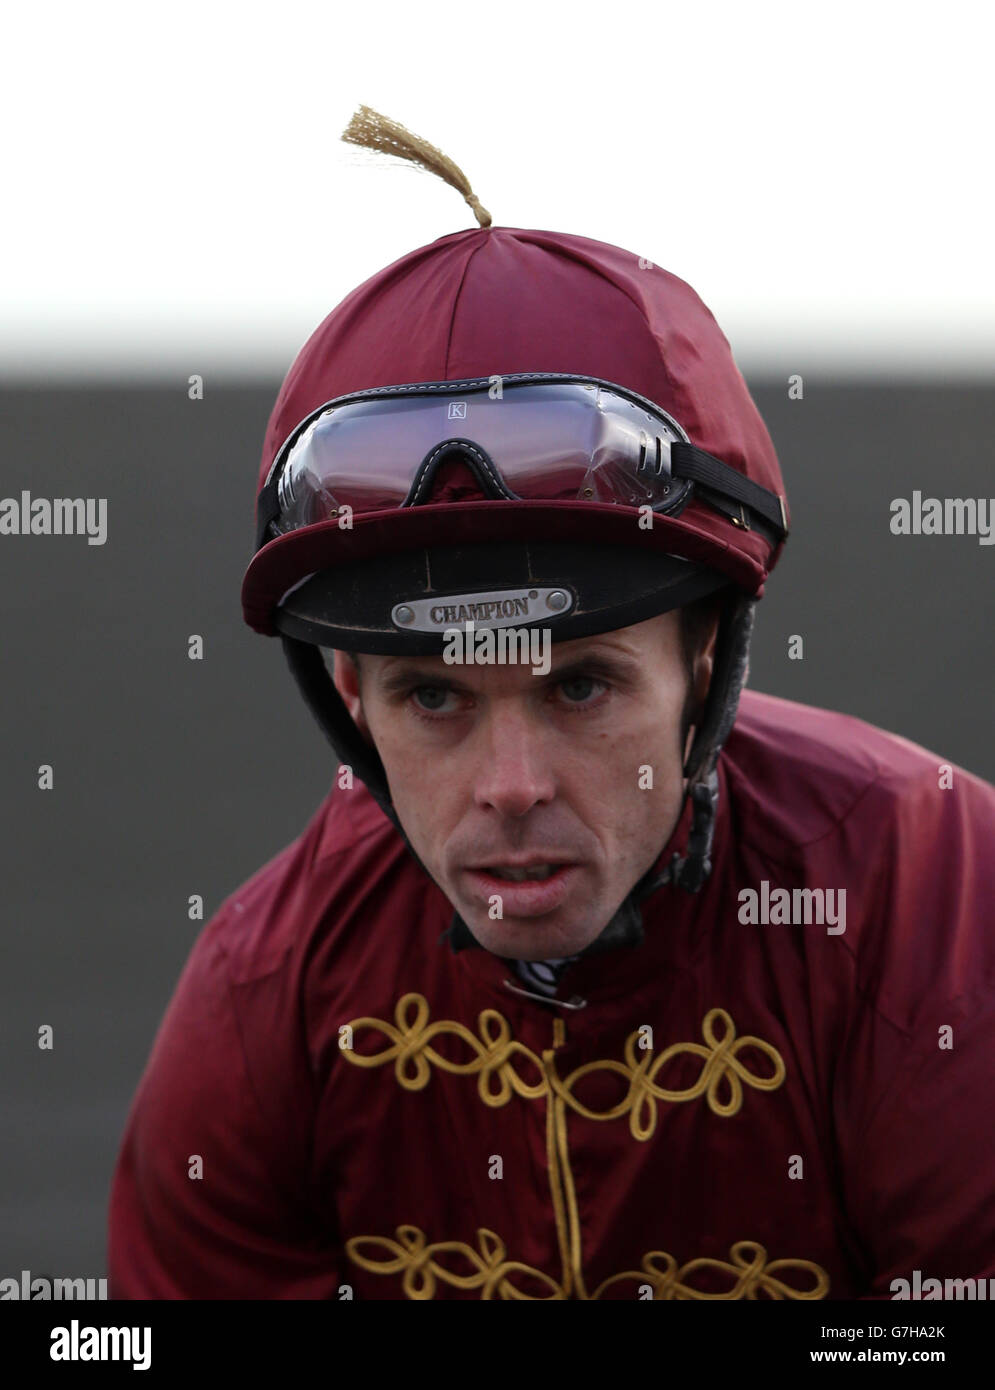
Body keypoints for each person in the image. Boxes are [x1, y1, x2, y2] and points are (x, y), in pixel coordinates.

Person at [107, 119, 995, 1302]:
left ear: (700, 664)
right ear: (350, 698)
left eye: (579, 684)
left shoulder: (934, 903)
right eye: (433, 696)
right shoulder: (266, 989)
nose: (510, 783)